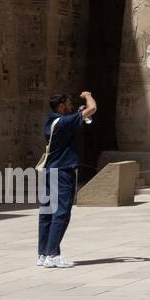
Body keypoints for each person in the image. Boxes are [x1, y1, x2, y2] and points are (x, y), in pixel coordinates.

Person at [37, 91, 96, 268]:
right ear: (61, 106)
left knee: (47, 213)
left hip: (49, 171)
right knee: (61, 213)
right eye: (69, 104)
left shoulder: (52, 121)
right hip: (63, 172)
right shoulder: (65, 122)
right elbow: (92, 108)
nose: (71, 107)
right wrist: (88, 95)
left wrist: (77, 113)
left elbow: (71, 122)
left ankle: (43, 254)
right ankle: (53, 254)